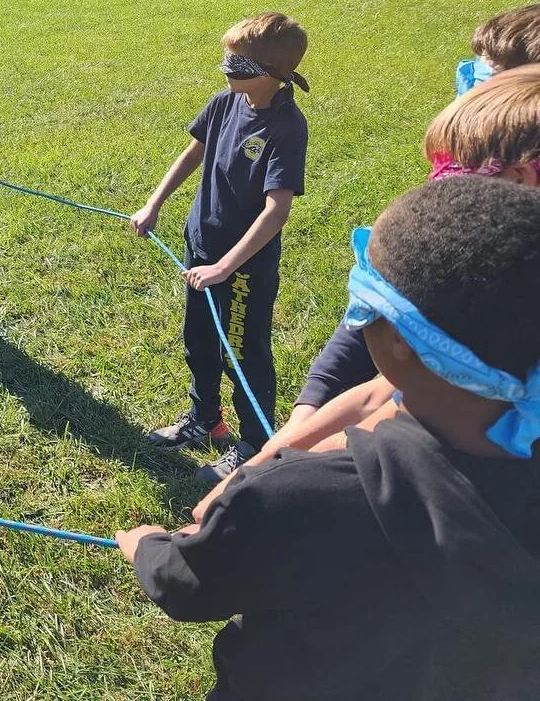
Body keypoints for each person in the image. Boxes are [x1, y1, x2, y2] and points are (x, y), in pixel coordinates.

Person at [116, 177, 540, 701]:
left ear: (401, 343)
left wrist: (145, 546)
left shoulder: (295, 498)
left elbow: (186, 585)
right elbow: (377, 395)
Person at [196, 64, 540, 509]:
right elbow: (374, 382)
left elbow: (398, 417)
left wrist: (270, 481)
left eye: (452, 172)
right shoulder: (476, 244)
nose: (436, 191)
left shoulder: (494, 273)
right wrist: (275, 457)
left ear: (517, 180)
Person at [286, 9, 540, 434]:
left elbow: (405, 398)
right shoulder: (479, 181)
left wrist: (280, 466)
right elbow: (393, 298)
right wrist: (309, 408)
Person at [130, 12, 309, 483]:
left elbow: (276, 211)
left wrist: (226, 267)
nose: (226, 66)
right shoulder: (223, 103)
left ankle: (254, 443)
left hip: (243, 264)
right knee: (200, 341)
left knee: (243, 352)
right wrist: (154, 204)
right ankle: (205, 420)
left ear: (269, 71)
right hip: (201, 245)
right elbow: (194, 152)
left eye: (237, 60)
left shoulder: (286, 127)